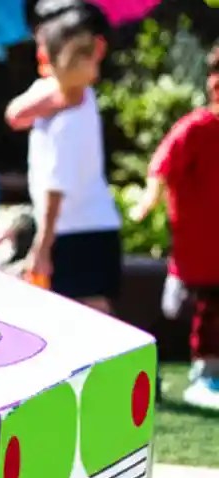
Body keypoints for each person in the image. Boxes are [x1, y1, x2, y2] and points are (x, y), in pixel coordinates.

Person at [6, 0, 122, 313]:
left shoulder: (72, 119)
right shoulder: (60, 96)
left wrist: (42, 248)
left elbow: (56, 189)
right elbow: (15, 114)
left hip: (77, 230)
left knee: (88, 312)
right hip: (80, 229)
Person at [129, 43, 219, 407]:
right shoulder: (196, 129)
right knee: (204, 312)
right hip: (200, 250)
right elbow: (162, 165)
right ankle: (206, 375)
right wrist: (147, 201)